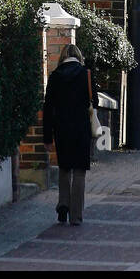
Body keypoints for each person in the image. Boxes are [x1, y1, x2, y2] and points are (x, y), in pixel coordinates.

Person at [42, 43, 98, 226]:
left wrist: (47, 137)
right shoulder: (86, 74)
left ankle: (63, 204)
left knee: (65, 168)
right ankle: (76, 216)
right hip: (81, 129)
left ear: (62, 57)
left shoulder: (55, 77)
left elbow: (48, 108)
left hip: (61, 129)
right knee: (79, 171)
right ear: (79, 57)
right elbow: (94, 101)